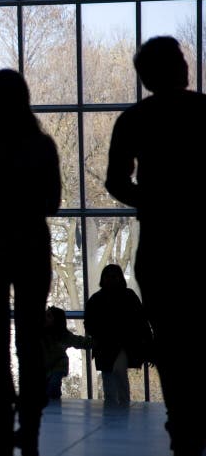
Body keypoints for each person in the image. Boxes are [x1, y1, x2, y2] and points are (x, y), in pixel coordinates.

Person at [105, 36, 206, 456]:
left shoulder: (134, 120)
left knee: (171, 340)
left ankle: (182, 422)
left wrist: (152, 200)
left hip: (161, 246)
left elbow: (116, 182)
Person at [0, 69, 61, 456]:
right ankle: (31, 428)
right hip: (32, 247)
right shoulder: (41, 145)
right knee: (29, 341)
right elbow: (51, 202)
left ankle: (2, 426)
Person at [84, 264, 152, 409]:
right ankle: (122, 404)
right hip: (123, 343)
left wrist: (97, 334)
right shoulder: (129, 296)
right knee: (117, 372)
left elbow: (89, 322)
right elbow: (141, 321)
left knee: (109, 374)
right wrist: (148, 343)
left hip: (105, 344)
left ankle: (113, 407)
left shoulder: (96, 299)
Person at [41, 306, 90, 403]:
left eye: (49, 316)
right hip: (49, 367)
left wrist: (95, 342)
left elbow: (80, 341)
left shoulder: (63, 335)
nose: (46, 318)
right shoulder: (44, 334)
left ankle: (52, 406)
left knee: (53, 386)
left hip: (57, 367)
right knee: (50, 388)